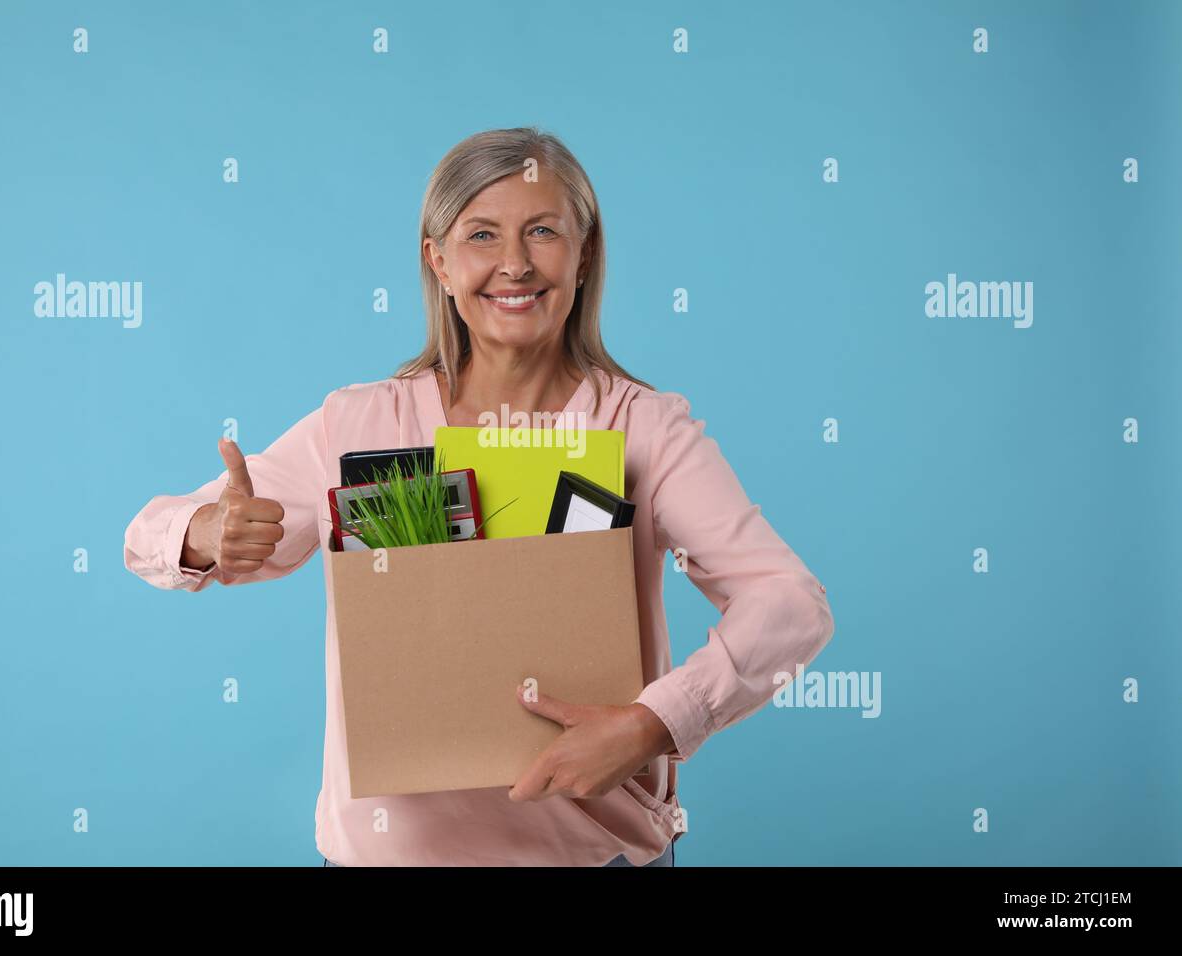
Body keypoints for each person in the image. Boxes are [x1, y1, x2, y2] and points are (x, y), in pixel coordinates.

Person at [123, 127, 835, 866]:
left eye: (543, 232)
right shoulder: (359, 424)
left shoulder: (643, 429)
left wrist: (657, 723)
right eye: (482, 235)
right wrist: (208, 532)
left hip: (596, 858)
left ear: (585, 254)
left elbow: (790, 603)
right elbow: (147, 534)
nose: (515, 264)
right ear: (438, 259)